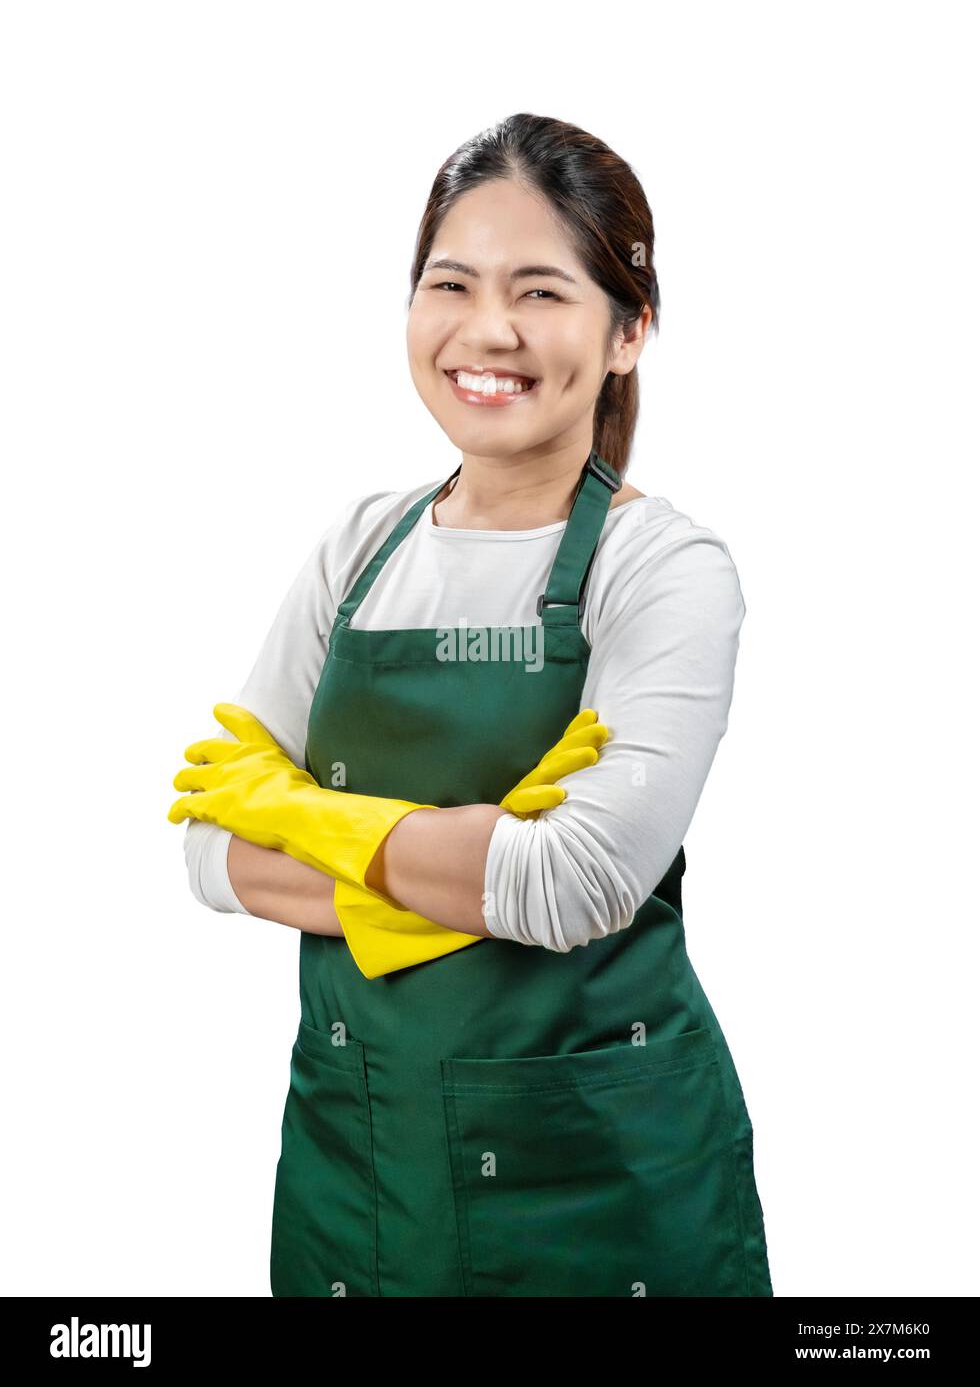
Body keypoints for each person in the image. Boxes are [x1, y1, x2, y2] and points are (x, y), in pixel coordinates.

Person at [169, 112, 773, 1298]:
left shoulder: (661, 569)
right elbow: (203, 847)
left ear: (627, 332)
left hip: (603, 1180)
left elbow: (578, 883)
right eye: (450, 282)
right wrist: (483, 856)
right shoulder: (359, 546)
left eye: (540, 291)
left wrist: (306, 815)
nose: (487, 330)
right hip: (358, 1159)